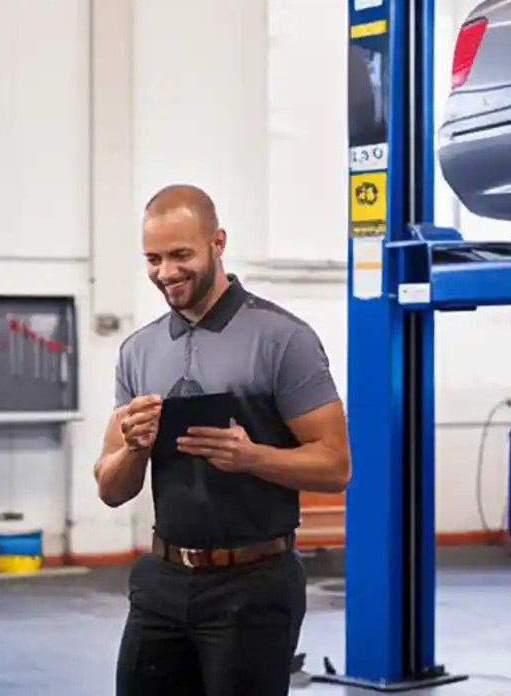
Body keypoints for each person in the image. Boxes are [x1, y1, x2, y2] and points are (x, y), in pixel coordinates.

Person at [94, 184, 351, 696]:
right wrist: (134, 447)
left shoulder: (284, 339)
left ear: (218, 243)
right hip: (162, 583)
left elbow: (335, 466)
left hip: (254, 584)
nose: (166, 272)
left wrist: (251, 456)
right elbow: (110, 487)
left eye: (180, 254)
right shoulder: (137, 352)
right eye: (153, 258)